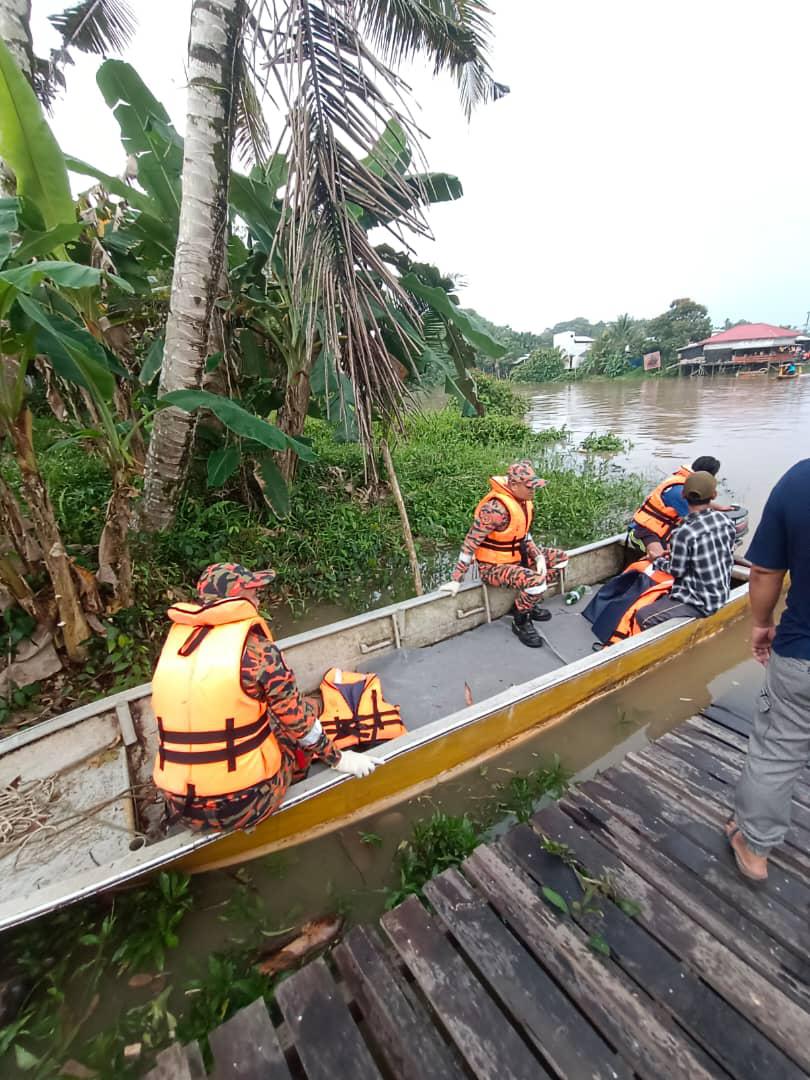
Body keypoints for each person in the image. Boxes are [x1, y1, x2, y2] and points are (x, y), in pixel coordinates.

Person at [151, 563, 379, 832]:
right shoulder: (258, 651)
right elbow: (299, 725)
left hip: (181, 805)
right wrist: (340, 759)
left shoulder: (177, 643)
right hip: (242, 805)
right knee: (292, 738)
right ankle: (298, 794)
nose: (259, 598)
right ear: (240, 595)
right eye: (255, 592)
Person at [727, 460, 810, 882]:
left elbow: (763, 572)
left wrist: (761, 624)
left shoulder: (800, 480)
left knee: (778, 753)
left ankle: (754, 845)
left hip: (803, 654)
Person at [437, 460, 568, 648]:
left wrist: (538, 556)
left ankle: (526, 604)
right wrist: (456, 578)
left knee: (560, 559)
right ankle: (520, 620)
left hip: (517, 558)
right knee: (537, 582)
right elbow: (470, 543)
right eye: (529, 487)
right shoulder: (495, 509)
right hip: (493, 567)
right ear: (513, 485)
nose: (533, 491)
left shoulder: (524, 502)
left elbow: (524, 535)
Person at [635, 471, 736, 631]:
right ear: (714, 495)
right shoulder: (724, 520)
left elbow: (676, 571)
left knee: (643, 616)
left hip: (700, 602)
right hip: (721, 592)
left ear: (683, 495)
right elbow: (725, 553)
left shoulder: (682, 533)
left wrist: (656, 560)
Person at [632, 455, 722, 559]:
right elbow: (696, 521)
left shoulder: (687, 482)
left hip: (662, 527)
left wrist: (720, 508)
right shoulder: (679, 490)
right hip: (645, 529)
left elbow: (700, 501)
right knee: (660, 558)